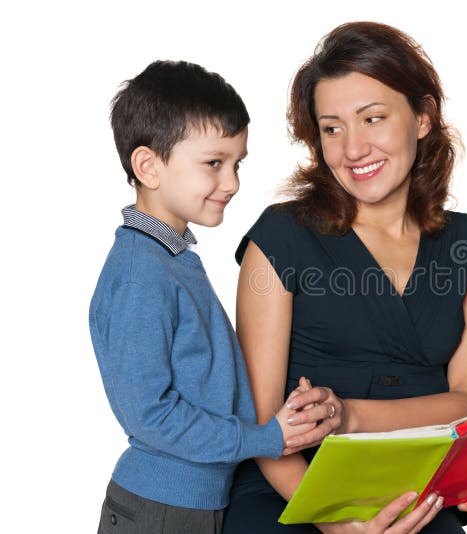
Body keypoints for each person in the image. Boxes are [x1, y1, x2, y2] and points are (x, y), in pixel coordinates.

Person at [223, 22, 467, 534]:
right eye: (332, 128)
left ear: (422, 117)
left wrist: (347, 416)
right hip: (289, 488)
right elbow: (261, 425)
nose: (353, 150)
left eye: (372, 119)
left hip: (413, 491)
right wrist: (335, 521)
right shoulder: (280, 236)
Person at [90, 60, 343, 534]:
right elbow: (152, 416)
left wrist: (287, 415)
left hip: (196, 503)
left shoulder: (172, 259)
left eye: (237, 164)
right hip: (158, 510)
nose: (232, 183)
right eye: (214, 164)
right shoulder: (140, 274)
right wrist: (266, 437)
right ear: (148, 166)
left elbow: (209, 383)